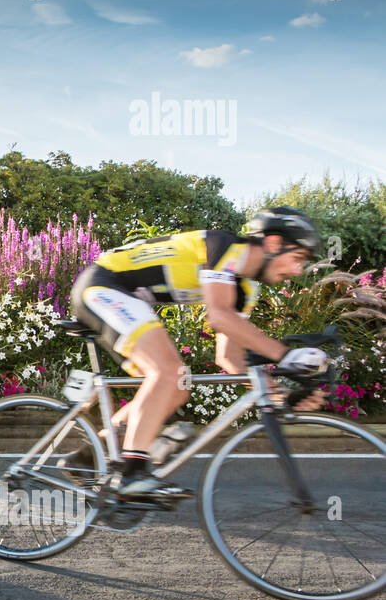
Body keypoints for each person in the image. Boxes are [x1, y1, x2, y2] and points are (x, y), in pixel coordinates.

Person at [66, 207, 330, 501]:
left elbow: (230, 358)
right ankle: (132, 473)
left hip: (121, 295)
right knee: (168, 373)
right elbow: (218, 316)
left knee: (176, 388)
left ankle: (87, 457)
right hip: (104, 284)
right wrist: (286, 356)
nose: (297, 271)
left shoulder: (244, 290)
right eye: (297, 259)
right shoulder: (224, 247)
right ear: (272, 244)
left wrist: (280, 394)